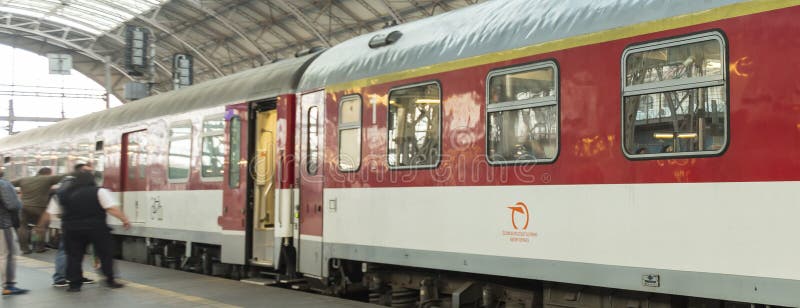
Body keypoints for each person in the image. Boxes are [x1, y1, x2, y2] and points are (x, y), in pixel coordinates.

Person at [52, 171, 129, 292]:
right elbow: (111, 208)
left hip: (72, 229)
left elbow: (57, 213)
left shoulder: (63, 194)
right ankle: (110, 280)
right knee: (105, 254)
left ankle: (74, 285)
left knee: (73, 257)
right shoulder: (99, 191)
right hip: (97, 228)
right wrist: (124, 219)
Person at [37, 163, 96, 287]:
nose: (91, 173)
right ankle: (60, 277)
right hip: (73, 223)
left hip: (76, 222)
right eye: (88, 171)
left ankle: (74, 276)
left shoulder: (70, 184)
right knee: (66, 250)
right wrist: (42, 225)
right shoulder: (71, 185)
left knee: (75, 251)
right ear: (80, 172)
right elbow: (55, 205)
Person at [12, 167, 65, 254]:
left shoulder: (24, 179)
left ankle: (24, 248)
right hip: (39, 208)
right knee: (40, 228)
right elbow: (63, 177)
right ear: (48, 174)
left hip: (24, 207)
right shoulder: (47, 179)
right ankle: (38, 247)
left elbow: (9, 184)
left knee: (23, 227)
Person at [0, 170, 28, 295]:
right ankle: (8, 286)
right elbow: (13, 205)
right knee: (8, 254)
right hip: (4, 224)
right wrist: (20, 202)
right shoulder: (3, 184)